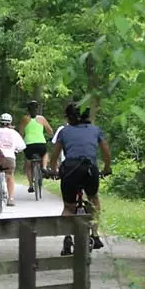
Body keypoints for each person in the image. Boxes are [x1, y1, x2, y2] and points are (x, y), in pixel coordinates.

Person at [46, 101, 111, 254]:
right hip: (89, 169)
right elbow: (106, 151)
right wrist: (107, 168)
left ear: (68, 117)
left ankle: (67, 236)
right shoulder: (95, 130)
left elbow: (55, 156)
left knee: (68, 206)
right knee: (94, 199)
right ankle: (95, 235)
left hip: (70, 169)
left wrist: (53, 170)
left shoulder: (65, 131)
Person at [0, 113, 25, 206]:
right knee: (9, 175)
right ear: (10, 123)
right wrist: (16, 150)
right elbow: (22, 146)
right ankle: (11, 199)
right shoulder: (14, 133)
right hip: (9, 157)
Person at [18, 100, 53, 193]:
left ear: (28, 109)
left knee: (28, 164)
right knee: (45, 153)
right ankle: (44, 167)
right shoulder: (42, 119)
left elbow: (20, 133)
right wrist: (50, 136)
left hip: (28, 145)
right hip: (41, 143)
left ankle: (30, 185)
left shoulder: (24, 119)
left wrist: (20, 141)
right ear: (37, 109)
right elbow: (50, 130)